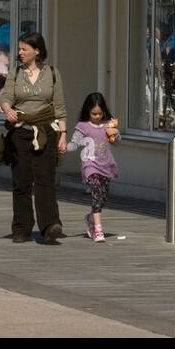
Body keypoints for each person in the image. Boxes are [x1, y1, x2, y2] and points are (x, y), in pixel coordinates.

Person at [0, 32, 67, 244]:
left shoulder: (52, 73)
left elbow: (59, 106)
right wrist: (7, 109)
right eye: (19, 49)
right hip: (21, 131)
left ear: (37, 51)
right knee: (22, 180)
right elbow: (6, 96)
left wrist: (63, 134)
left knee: (46, 180)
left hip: (46, 131)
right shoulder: (15, 73)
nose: (20, 52)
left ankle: (50, 226)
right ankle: (22, 227)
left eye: (24, 49)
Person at [66, 93, 120, 242]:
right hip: (90, 166)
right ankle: (98, 230)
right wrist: (64, 147)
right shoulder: (83, 127)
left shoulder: (108, 125)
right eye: (93, 114)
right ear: (87, 111)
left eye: (99, 114)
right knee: (96, 193)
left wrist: (115, 133)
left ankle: (90, 218)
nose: (97, 117)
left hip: (106, 166)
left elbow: (116, 142)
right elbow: (74, 143)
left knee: (103, 196)